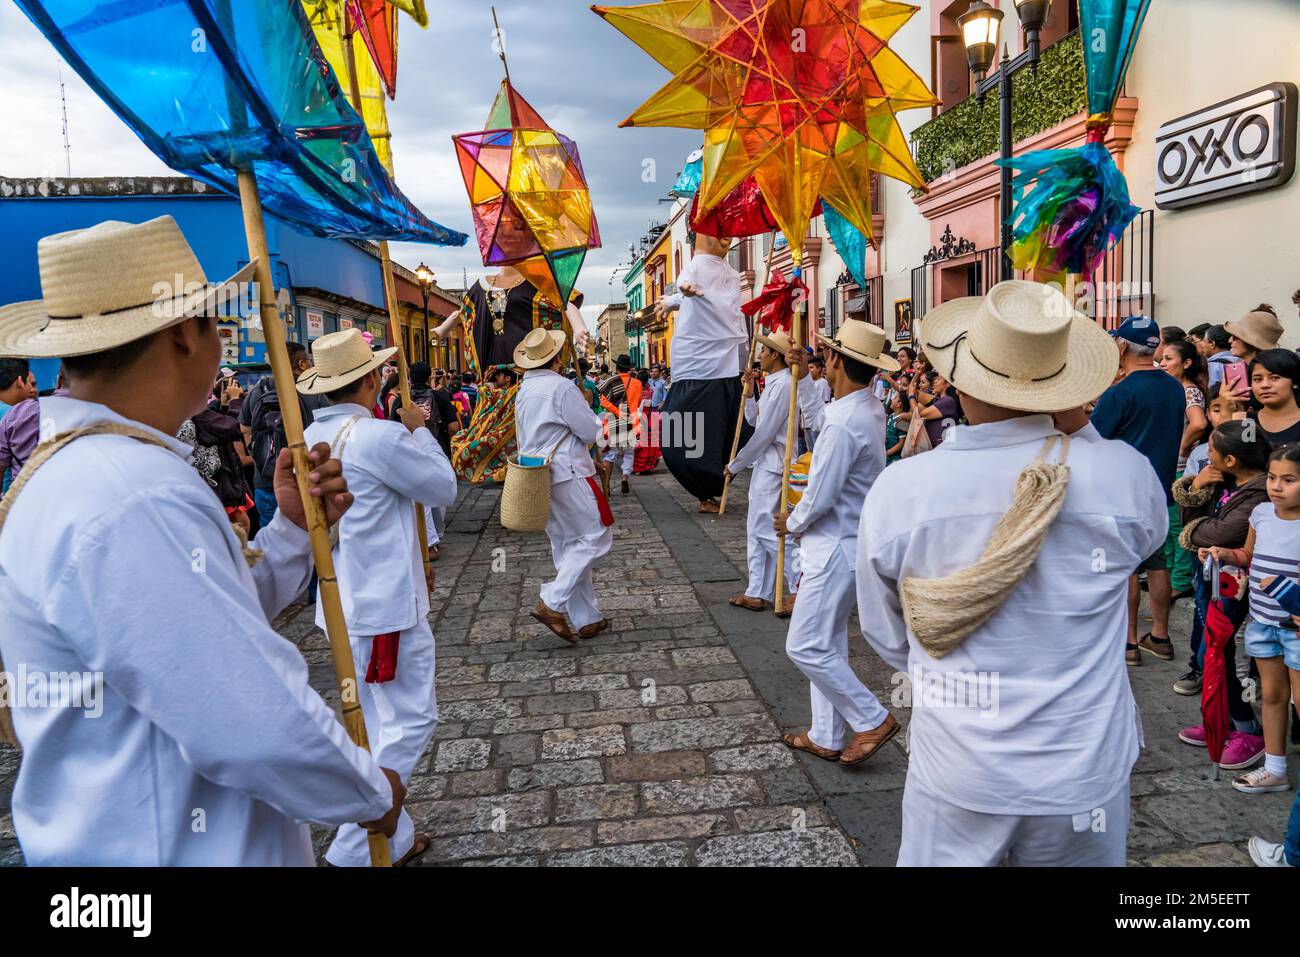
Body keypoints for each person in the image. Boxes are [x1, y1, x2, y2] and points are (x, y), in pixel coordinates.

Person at [0, 215, 405, 864]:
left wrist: (293, 530)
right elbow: (251, 719)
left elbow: (205, 619)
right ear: (187, 336)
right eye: (215, 322)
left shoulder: (83, 470)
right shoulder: (130, 490)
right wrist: (367, 789)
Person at [857, 280, 1165, 866]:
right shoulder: (1125, 474)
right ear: (1068, 382)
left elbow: (889, 634)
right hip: (1084, 767)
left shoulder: (904, 489)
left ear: (959, 379)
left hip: (960, 767)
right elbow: (1142, 546)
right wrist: (1077, 426)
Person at [299, 329, 458, 867]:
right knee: (413, 719)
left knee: (371, 722)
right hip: (385, 601)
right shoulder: (380, 437)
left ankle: (395, 836)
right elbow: (442, 489)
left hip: (341, 602)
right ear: (371, 379)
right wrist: (421, 433)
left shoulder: (310, 434)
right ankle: (352, 844)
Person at [778, 321, 900, 765]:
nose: (820, 363)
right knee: (826, 643)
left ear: (834, 361)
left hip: (834, 544)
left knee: (805, 645)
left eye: (824, 358)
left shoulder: (848, 420)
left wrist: (791, 521)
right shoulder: (861, 406)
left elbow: (822, 492)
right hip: (846, 541)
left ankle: (870, 717)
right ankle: (825, 732)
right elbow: (816, 415)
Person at [1200, 443, 1300, 798]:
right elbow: (1248, 554)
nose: (1276, 486)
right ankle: (1274, 769)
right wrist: (1225, 553)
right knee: (1271, 696)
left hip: (1296, 628)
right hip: (1261, 621)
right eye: (1273, 477)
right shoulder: (1260, 513)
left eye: (1289, 480)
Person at [1090, 315, 1186, 666]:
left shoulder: (1121, 391)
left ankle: (1129, 642)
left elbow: (1092, 438)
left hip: (1122, 493)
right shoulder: (1174, 386)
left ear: (1123, 345)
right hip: (1159, 488)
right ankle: (1160, 635)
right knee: (1157, 565)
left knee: (1129, 568)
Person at [1173, 421, 1268, 769]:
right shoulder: (1223, 482)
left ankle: (1249, 729)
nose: (1206, 456)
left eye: (1211, 450)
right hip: (1215, 582)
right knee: (1215, 652)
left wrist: (1197, 527)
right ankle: (1221, 721)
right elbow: (1193, 520)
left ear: (1230, 460)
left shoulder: (1258, 495)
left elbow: (1218, 531)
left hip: (1243, 592)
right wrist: (1195, 488)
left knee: (1233, 657)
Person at [514, 327, 614, 643]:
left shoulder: (524, 390)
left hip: (538, 473)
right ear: (557, 359)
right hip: (568, 472)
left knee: (567, 544)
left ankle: (587, 617)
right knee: (595, 536)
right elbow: (589, 432)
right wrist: (587, 407)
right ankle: (552, 601)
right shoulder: (562, 388)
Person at [656, 232, 749, 514]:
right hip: (698, 366)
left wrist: (678, 299)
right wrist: (682, 293)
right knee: (679, 433)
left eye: (728, 233)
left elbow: (728, 305)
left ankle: (714, 488)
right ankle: (707, 488)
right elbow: (686, 281)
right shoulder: (697, 264)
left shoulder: (731, 273)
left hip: (728, 361)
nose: (726, 238)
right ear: (698, 236)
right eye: (718, 232)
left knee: (726, 431)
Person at [725, 329, 798, 615]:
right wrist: (750, 392)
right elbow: (755, 420)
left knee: (766, 530)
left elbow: (764, 434)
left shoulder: (782, 385)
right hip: (765, 465)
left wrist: (736, 464)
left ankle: (798, 582)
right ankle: (757, 591)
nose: (760, 356)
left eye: (765, 352)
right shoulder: (772, 383)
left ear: (776, 356)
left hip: (774, 464)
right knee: (756, 529)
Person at [240, 340, 328, 525]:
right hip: (303, 479)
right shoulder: (314, 391)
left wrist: (259, 455)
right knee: (309, 537)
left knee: (271, 538)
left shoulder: (258, 389)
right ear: (302, 363)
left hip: (264, 479)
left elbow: (245, 427)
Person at [1159, 338, 1208, 600]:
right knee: (1169, 526)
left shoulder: (1189, 391)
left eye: (1169, 359)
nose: (1163, 363)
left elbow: (1199, 423)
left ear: (1186, 363)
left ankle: (1179, 581)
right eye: (1162, 358)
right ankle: (1169, 578)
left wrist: (1180, 448)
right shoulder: (1176, 388)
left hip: (1181, 469)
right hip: (1172, 467)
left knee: (1177, 527)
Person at [0, 366, 68, 483]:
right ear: (20, 382)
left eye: (35, 385)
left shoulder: (15, 414)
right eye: (31, 384)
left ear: (58, 381)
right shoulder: (99, 414)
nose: (32, 390)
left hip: (19, 494)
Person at [599, 354, 643, 495]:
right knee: (629, 453)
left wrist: (618, 412)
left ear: (617, 367)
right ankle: (624, 477)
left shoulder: (612, 381)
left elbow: (603, 402)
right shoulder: (638, 383)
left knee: (611, 454)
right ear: (629, 368)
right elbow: (638, 401)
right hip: (632, 421)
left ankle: (606, 487)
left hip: (614, 421)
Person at [1244, 349, 1300, 447]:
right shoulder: (1247, 422)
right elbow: (1246, 458)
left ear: (1294, 382)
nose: (1265, 385)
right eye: (1257, 379)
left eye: (1274, 378)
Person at [804, 355, 831, 452]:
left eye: (811, 367)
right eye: (808, 368)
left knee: (817, 449)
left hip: (817, 421)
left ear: (819, 369)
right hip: (807, 422)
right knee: (810, 450)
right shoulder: (811, 383)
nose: (809, 370)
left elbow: (824, 402)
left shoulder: (823, 383)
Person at [1200, 324, 1235, 389]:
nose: (1201, 344)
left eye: (1204, 341)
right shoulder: (1239, 359)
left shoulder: (1212, 366)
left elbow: (1211, 392)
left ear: (1212, 344)